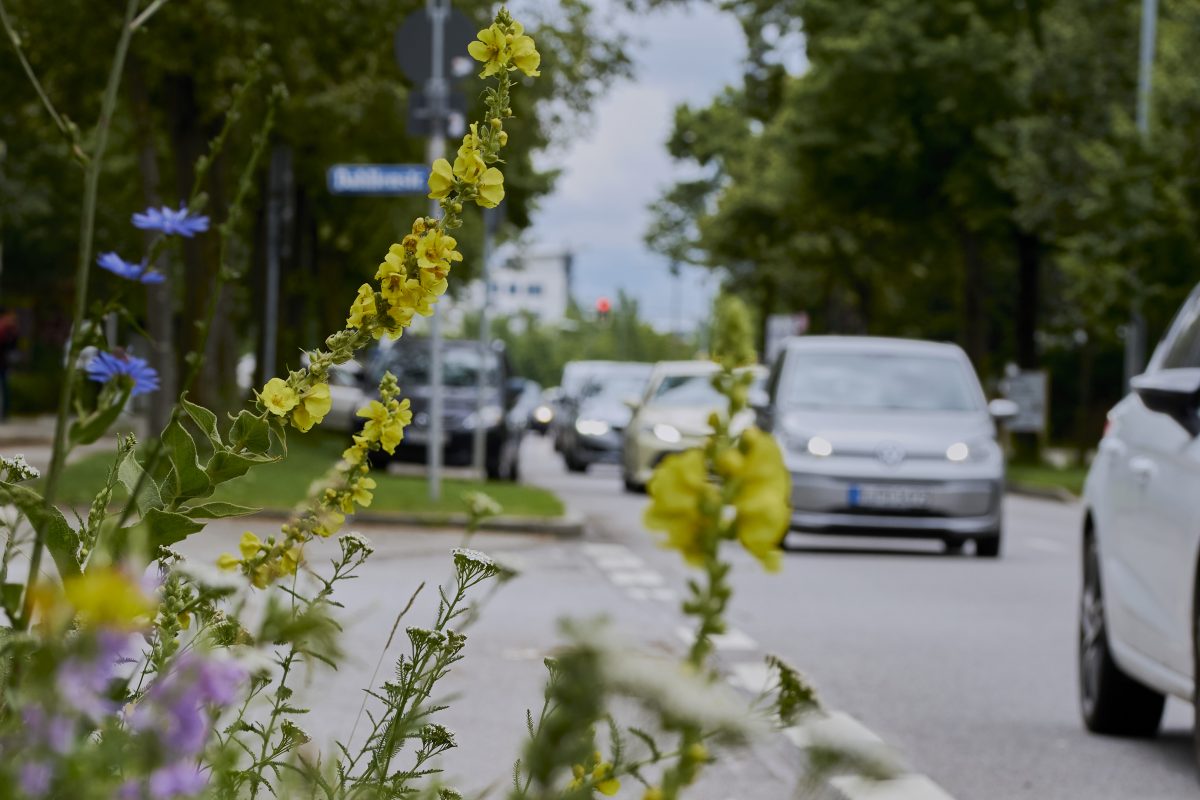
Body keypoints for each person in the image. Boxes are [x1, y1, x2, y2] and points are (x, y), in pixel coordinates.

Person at [0, 307, 19, 421]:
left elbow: (12, 346)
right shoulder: (2, 329)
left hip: (3, 364)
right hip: (2, 363)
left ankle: (4, 413)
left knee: (4, 388)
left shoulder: (9, 330)